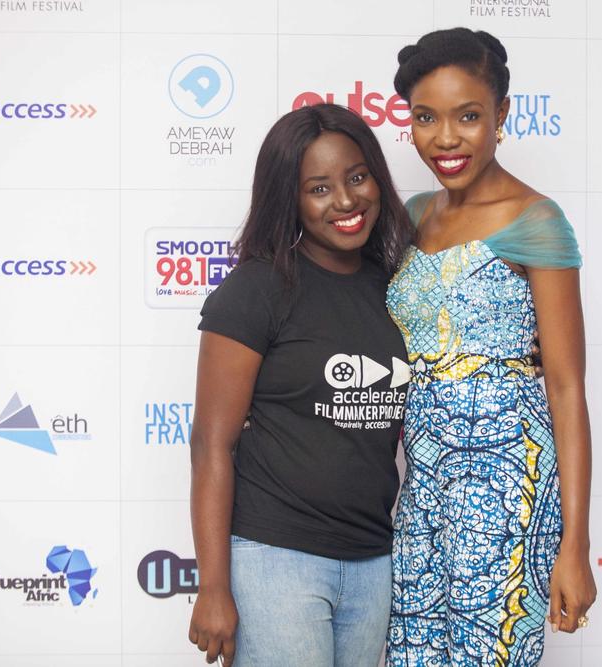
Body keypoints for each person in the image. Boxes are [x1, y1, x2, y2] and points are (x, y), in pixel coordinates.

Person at [385, 28, 597, 666]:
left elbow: (564, 386)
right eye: (426, 118)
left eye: (468, 116)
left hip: (506, 489)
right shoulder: (415, 214)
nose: (445, 139)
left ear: (502, 115)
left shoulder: (535, 219)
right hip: (422, 488)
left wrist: (575, 547)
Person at [187, 103, 413, 667]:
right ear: (289, 198)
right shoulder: (258, 290)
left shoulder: (397, 290)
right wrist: (214, 587)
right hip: (276, 558)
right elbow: (211, 444)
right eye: (319, 187)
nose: (345, 200)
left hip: (372, 561)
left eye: (357, 177)